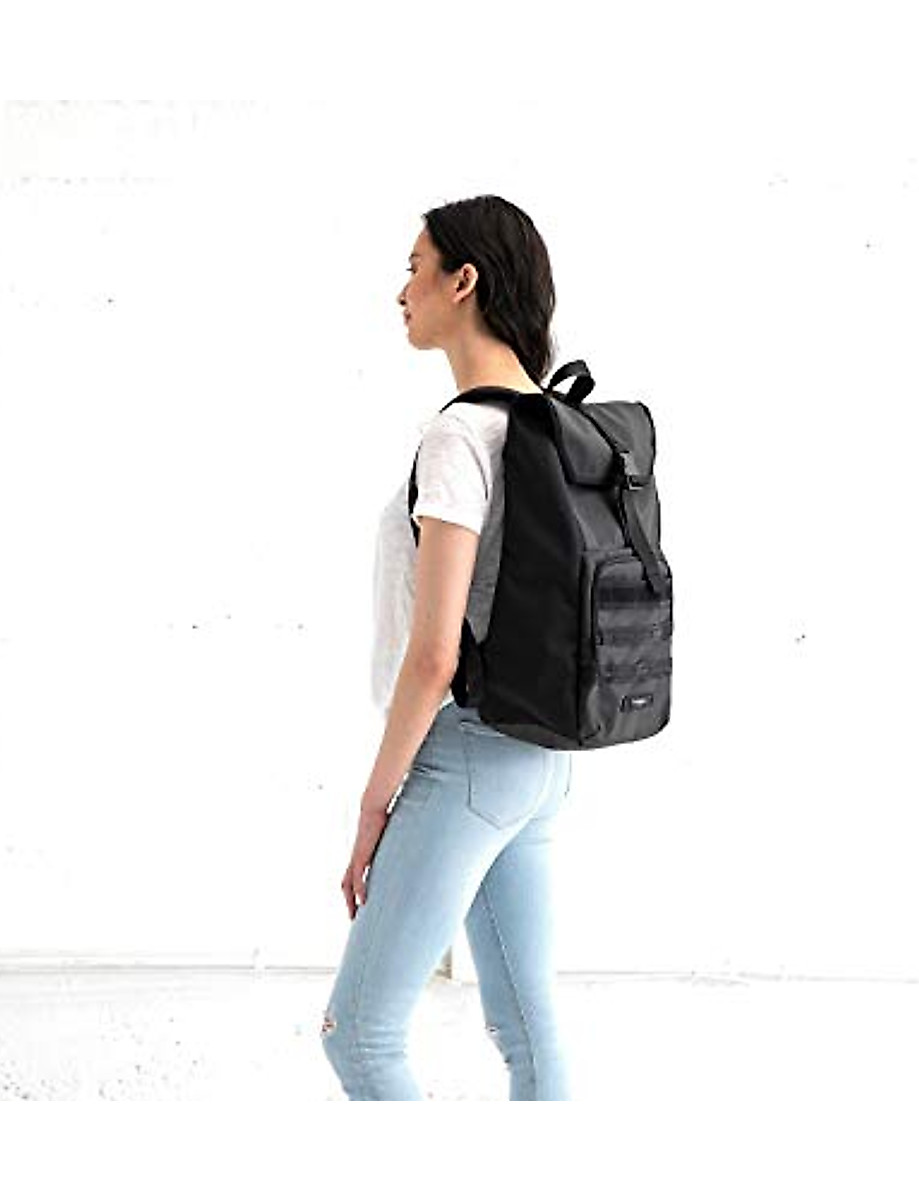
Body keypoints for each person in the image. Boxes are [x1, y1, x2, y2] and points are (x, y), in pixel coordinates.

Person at [319, 195, 575, 1100]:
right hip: (539, 758)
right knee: (529, 1035)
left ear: (464, 281)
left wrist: (374, 806)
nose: (402, 291)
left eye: (415, 267)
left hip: (464, 760)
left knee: (360, 1037)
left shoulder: (461, 434)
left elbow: (434, 656)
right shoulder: (550, 422)